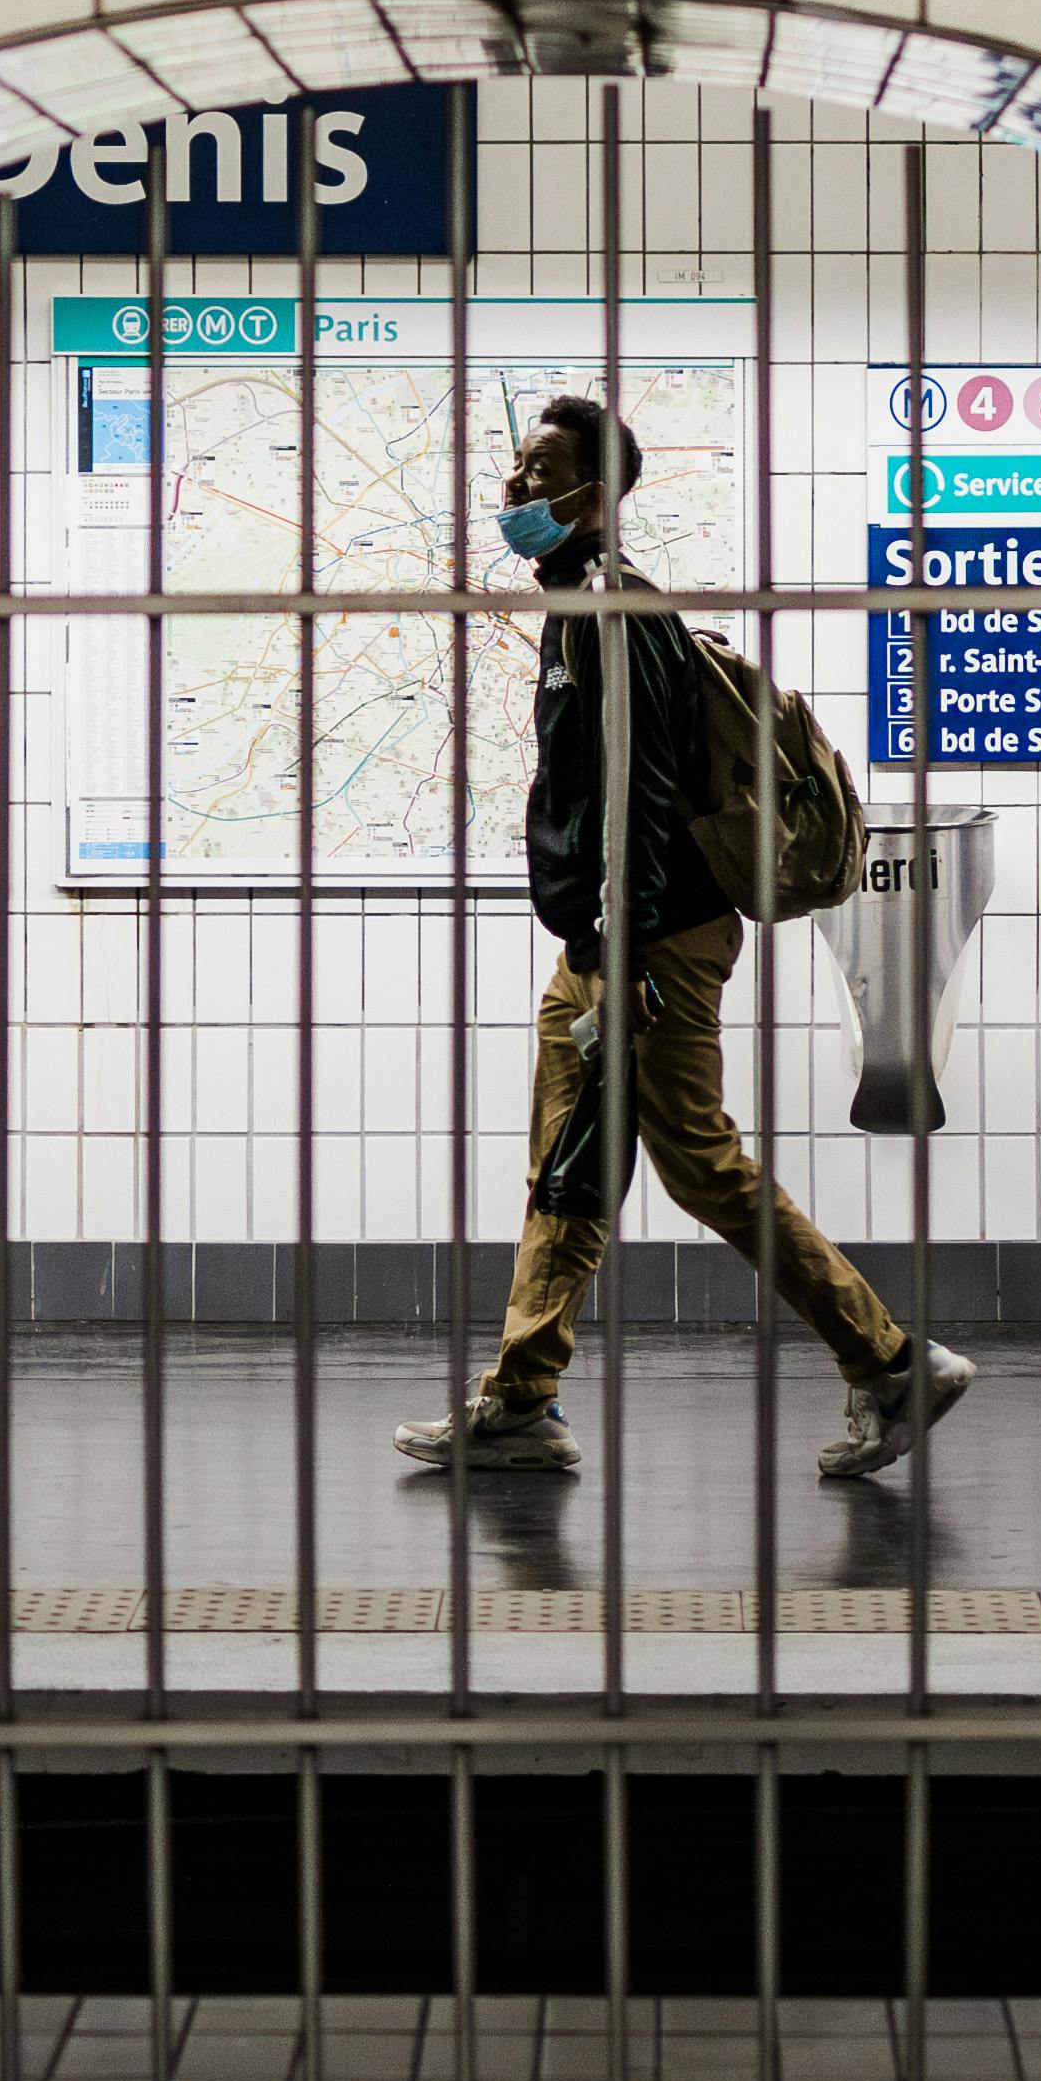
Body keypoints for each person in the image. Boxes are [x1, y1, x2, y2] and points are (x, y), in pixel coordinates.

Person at [396, 393, 977, 1483]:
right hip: (606, 943)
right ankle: (520, 1399)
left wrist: (622, 960)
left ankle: (892, 1360)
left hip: (649, 943)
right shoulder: (579, 605)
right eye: (517, 467)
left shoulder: (613, 607)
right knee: (567, 1165)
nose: (517, 486)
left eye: (542, 468)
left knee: (702, 1166)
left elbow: (640, 791)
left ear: (598, 492)